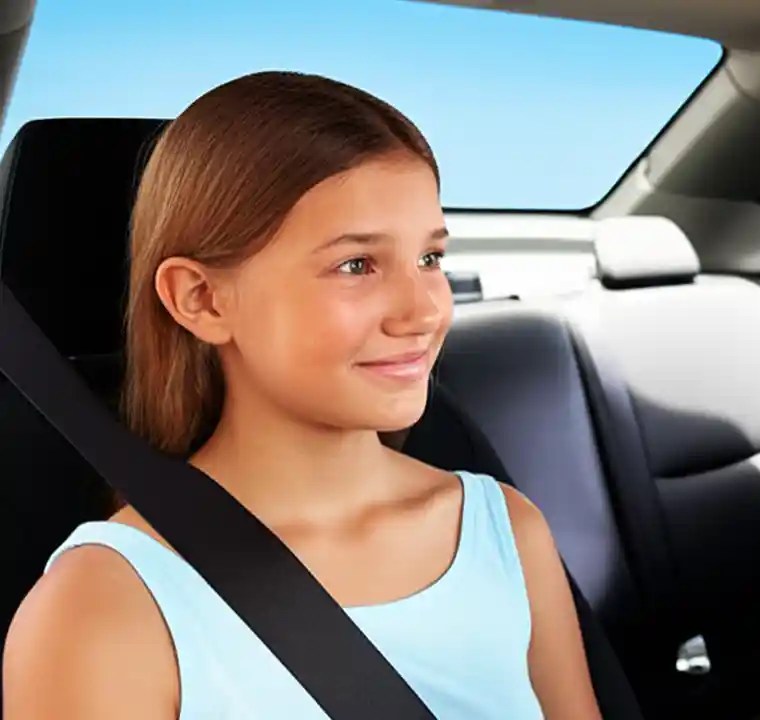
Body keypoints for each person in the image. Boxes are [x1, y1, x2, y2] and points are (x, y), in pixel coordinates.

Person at [2, 71, 601, 719]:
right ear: (201, 300)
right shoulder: (104, 608)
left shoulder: (505, 532)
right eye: (356, 265)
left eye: (430, 259)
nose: (423, 311)